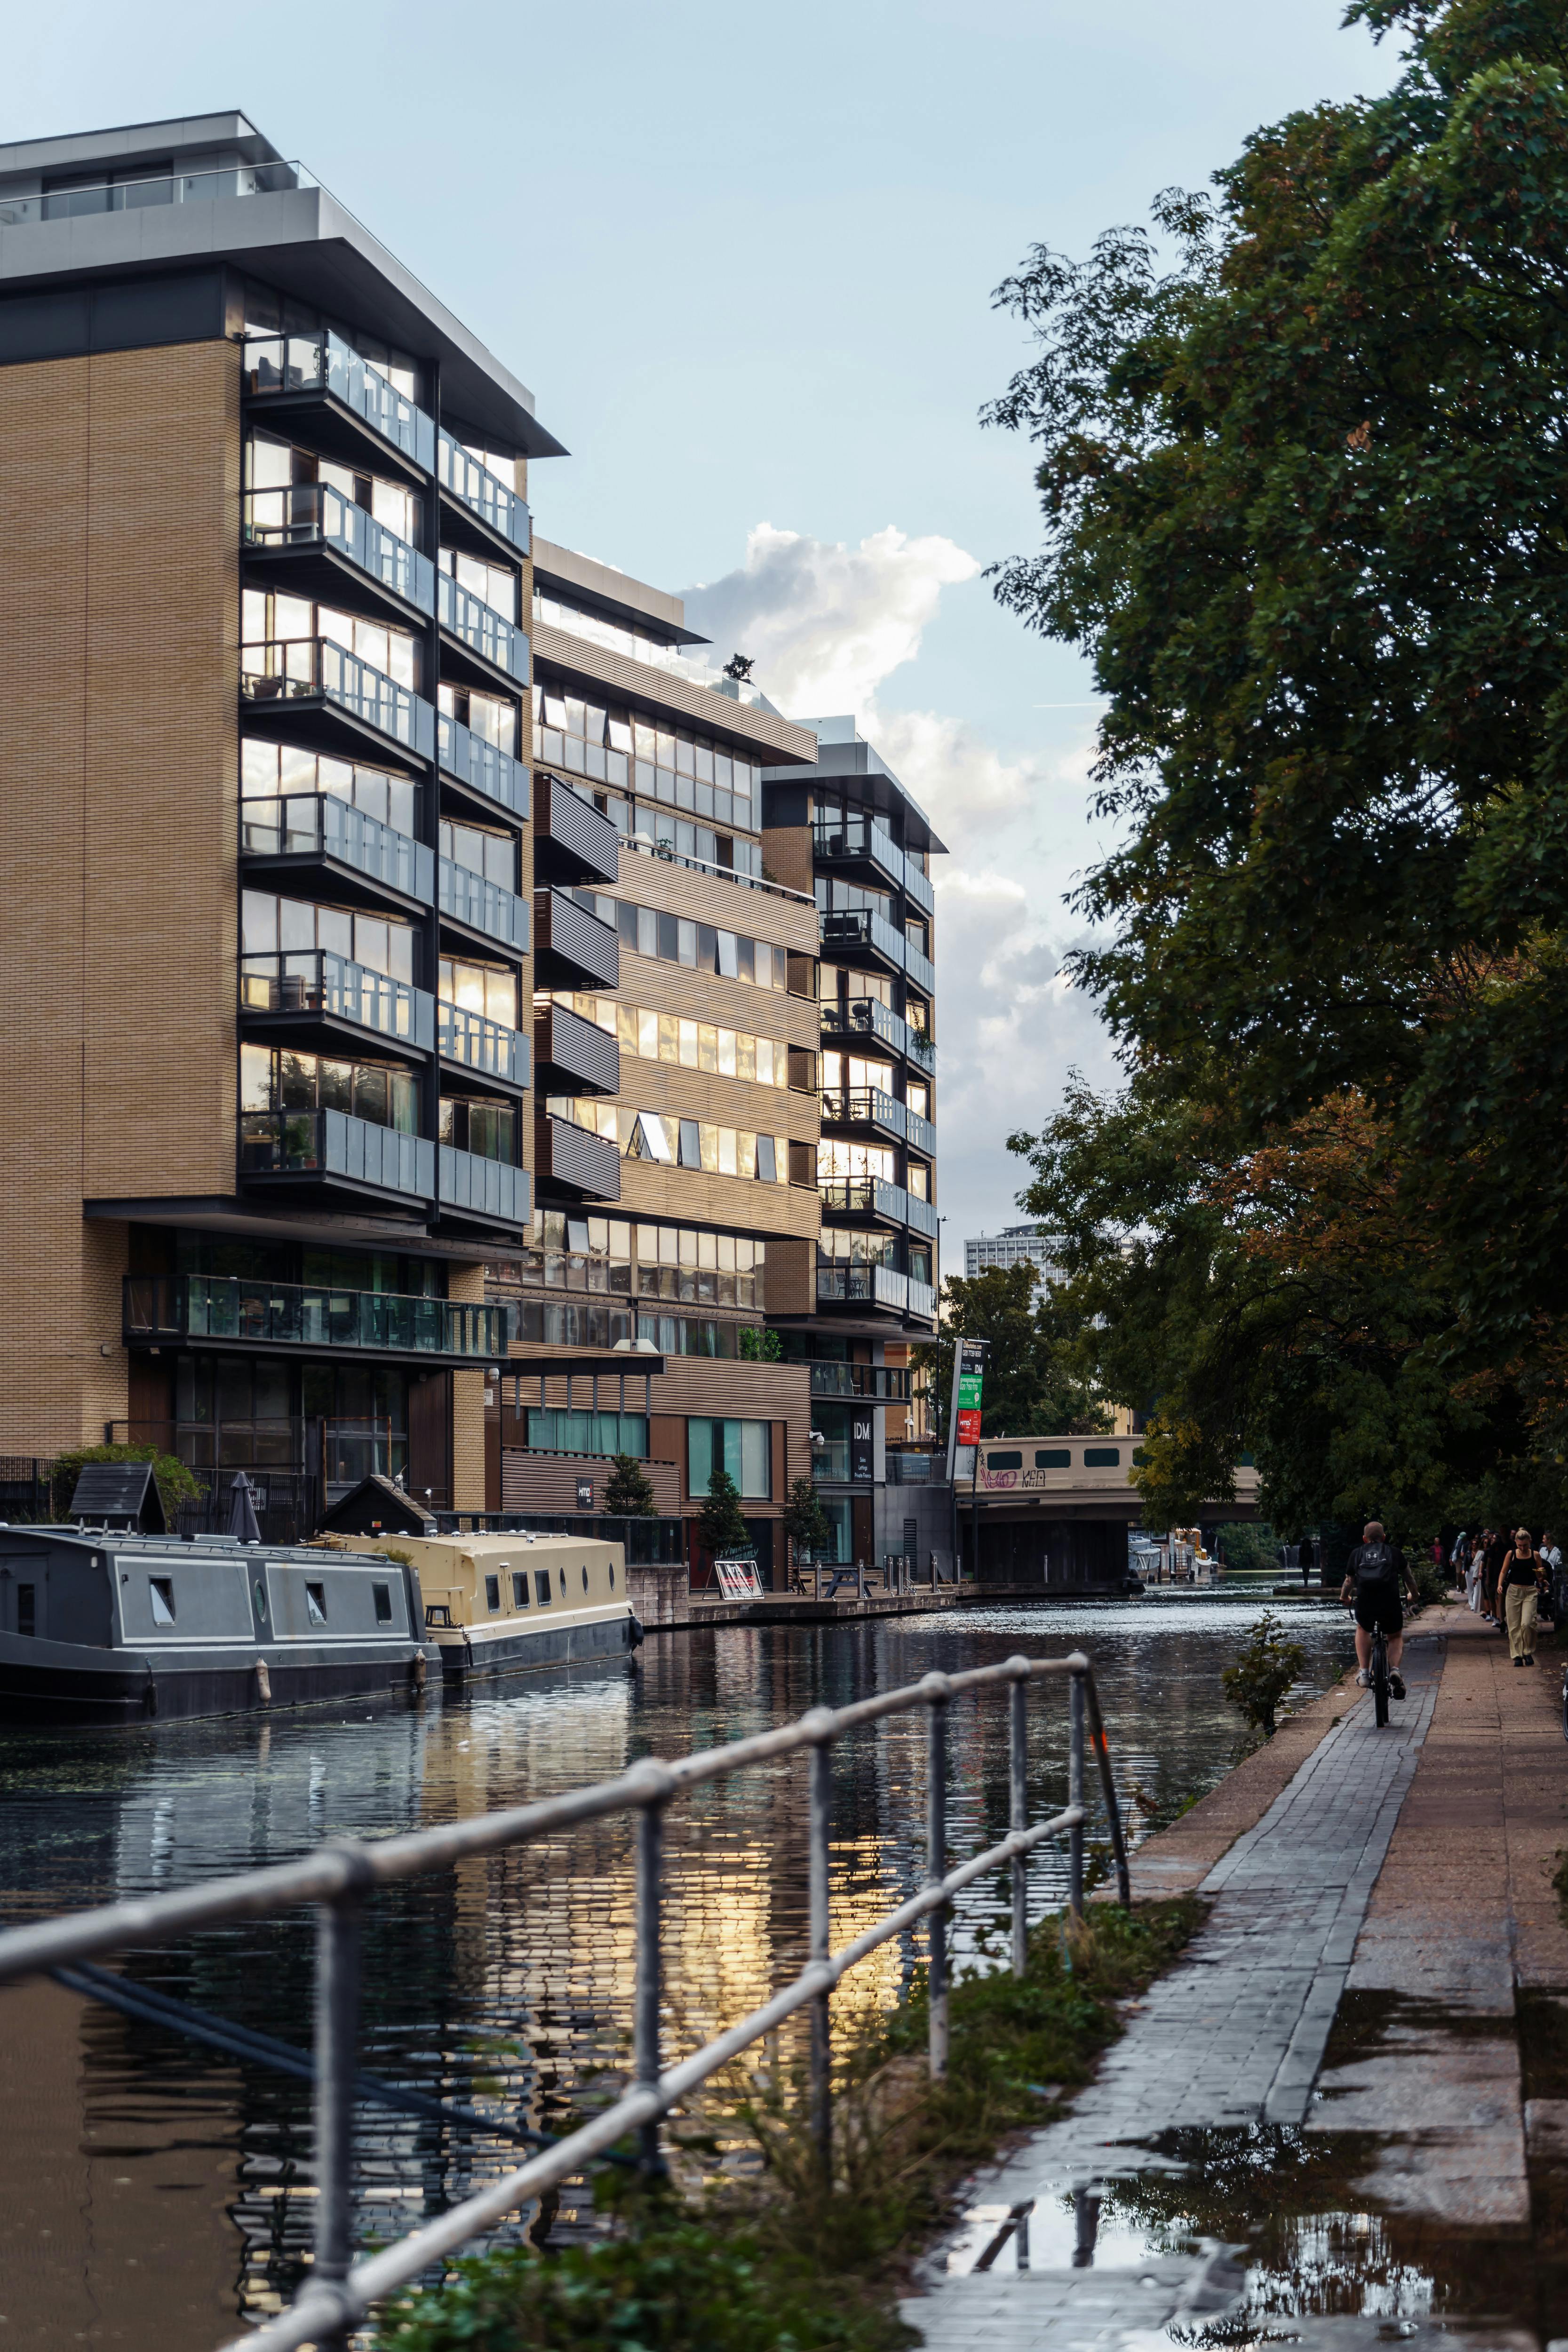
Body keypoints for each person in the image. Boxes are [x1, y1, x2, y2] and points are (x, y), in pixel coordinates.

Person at [1339, 1519, 1420, 1700]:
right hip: (1390, 1601)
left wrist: (1345, 1597)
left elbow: (1349, 1582)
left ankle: (1365, 1673)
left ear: (1364, 1539)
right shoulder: (1394, 1553)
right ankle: (1395, 1671)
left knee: (1363, 1628)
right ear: (1384, 1537)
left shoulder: (1356, 1553)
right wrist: (1413, 1595)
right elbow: (1409, 1579)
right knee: (1395, 1635)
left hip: (1366, 1602)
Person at [1500, 1527, 1549, 1666]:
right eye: (1519, 1545)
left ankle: (1528, 1651)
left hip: (1530, 1591)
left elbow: (1540, 1574)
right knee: (1514, 1625)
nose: (1522, 1548)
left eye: (1525, 1545)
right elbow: (1504, 1571)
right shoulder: (1511, 1554)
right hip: (1513, 1591)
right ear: (1515, 1542)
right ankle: (1517, 1655)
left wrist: (1541, 1576)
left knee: (1527, 1624)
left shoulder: (1536, 1555)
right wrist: (1500, 1585)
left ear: (1530, 1542)